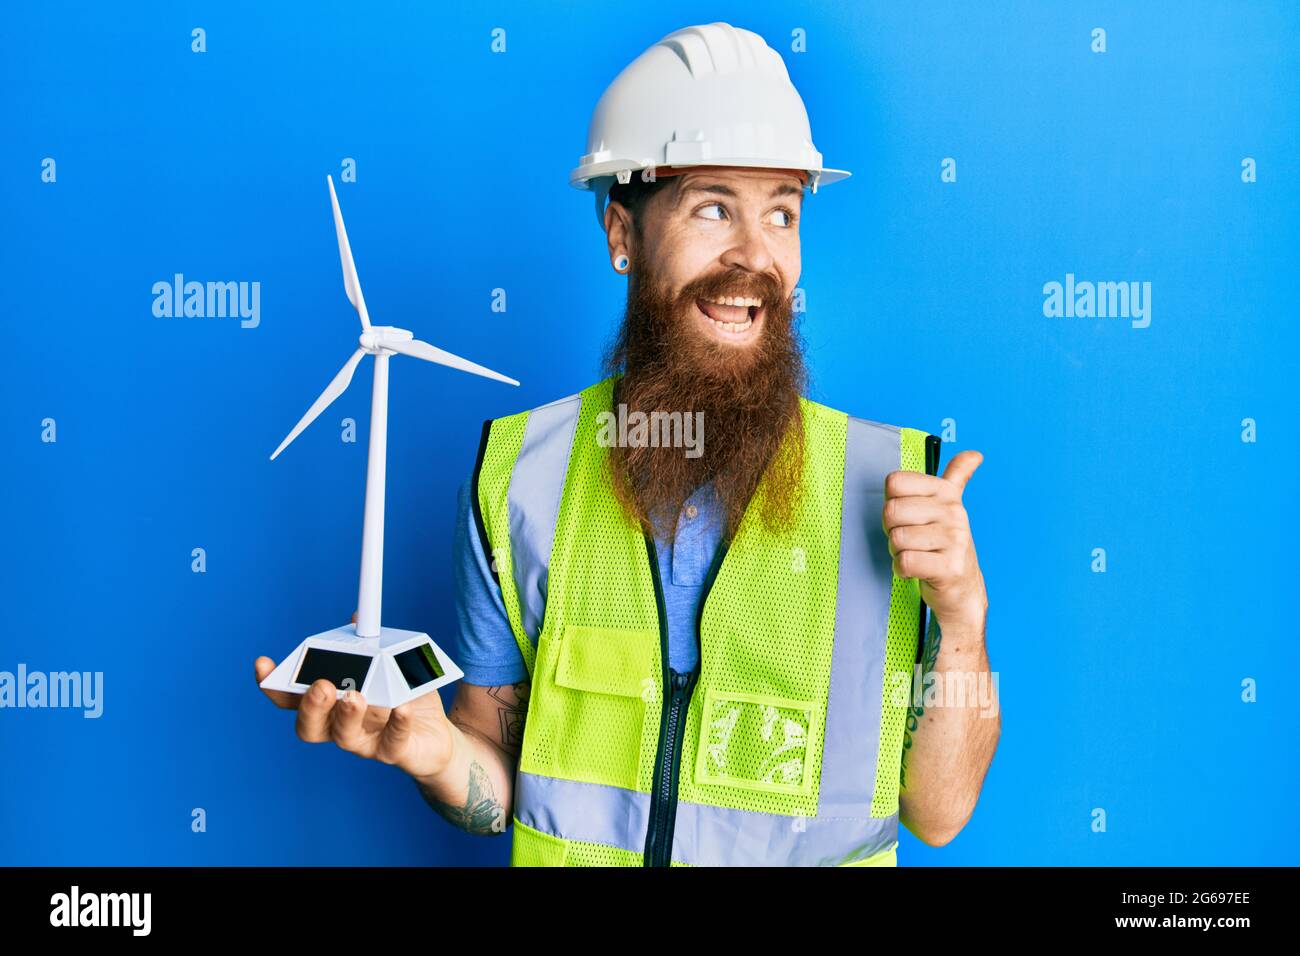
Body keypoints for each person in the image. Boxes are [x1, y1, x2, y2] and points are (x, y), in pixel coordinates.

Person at [256, 21, 998, 867]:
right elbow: (498, 786)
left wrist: (965, 622)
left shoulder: (894, 492)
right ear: (622, 234)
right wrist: (434, 757)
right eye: (712, 207)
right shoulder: (520, 479)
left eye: (783, 214)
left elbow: (938, 815)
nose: (754, 256)